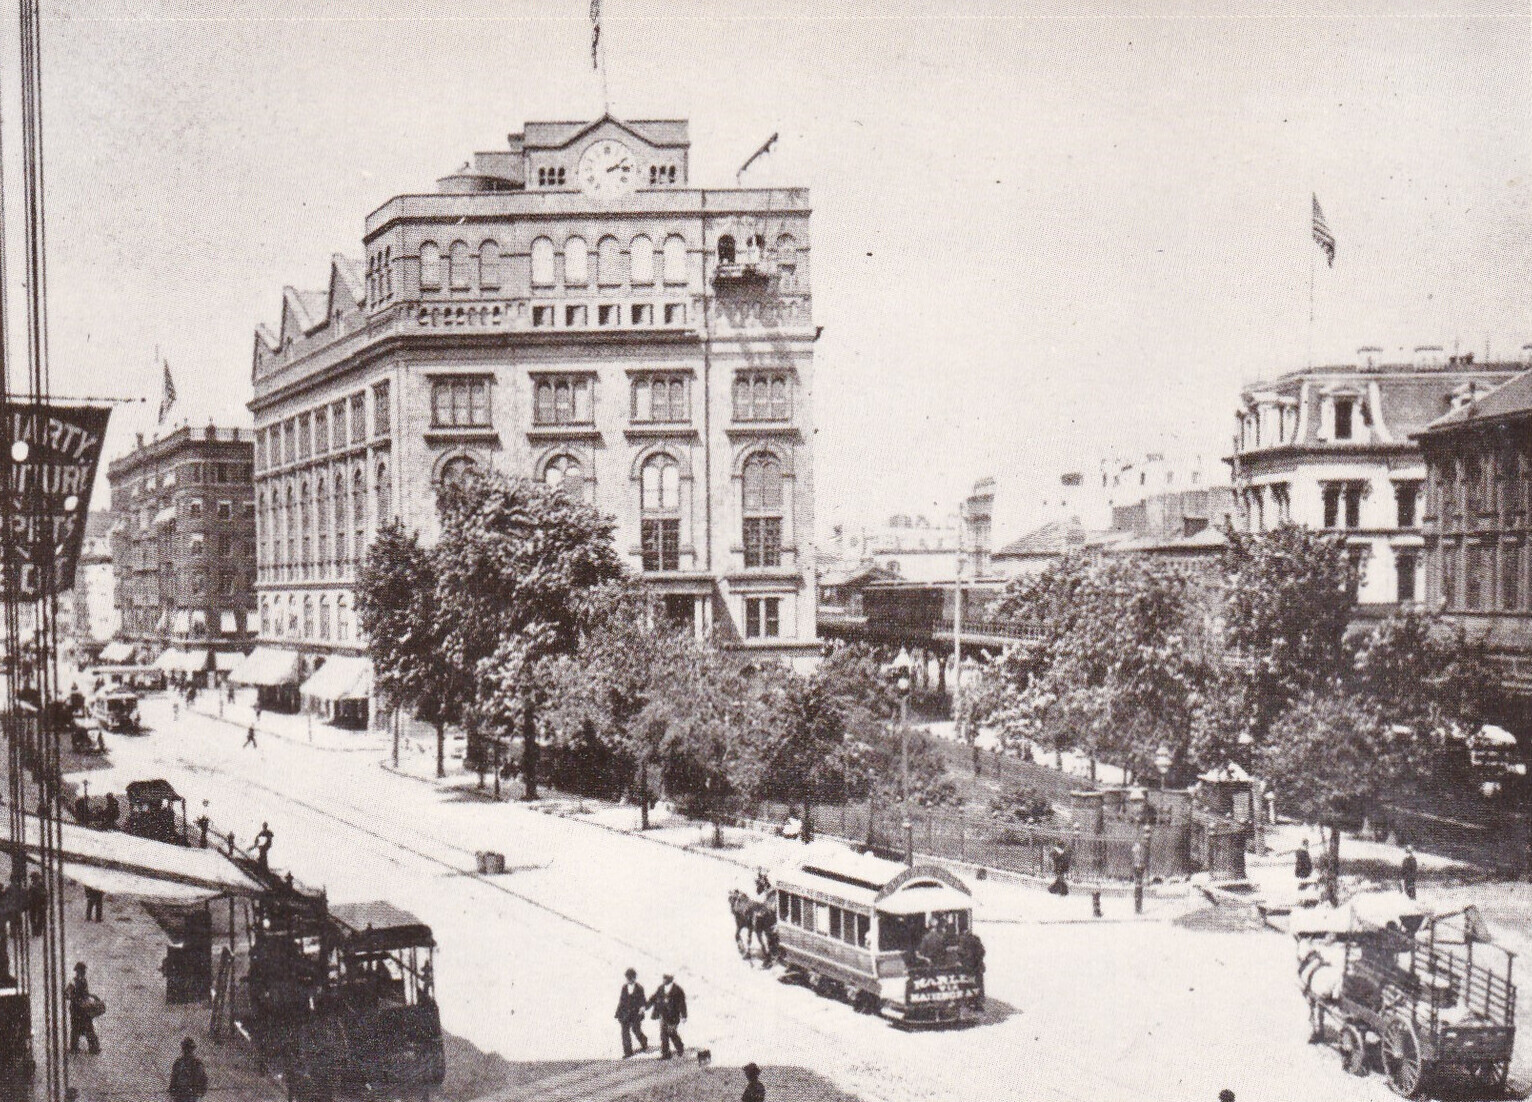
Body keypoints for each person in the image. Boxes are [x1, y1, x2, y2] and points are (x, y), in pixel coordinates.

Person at [648, 972, 687, 1059]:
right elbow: (653, 998)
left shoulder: (677, 990)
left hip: (673, 1016)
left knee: (671, 1032)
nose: (664, 980)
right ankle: (665, 1053)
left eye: (666, 978)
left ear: (670, 979)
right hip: (663, 1014)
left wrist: (684, 1016)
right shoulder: (661, 988)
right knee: (663, 1034)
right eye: (663, 978)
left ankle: (680, 1047)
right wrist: (646, 1006)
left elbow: (682, 1004)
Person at [66, 962, 101, 1054]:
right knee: (80, 1028)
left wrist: (92, 996)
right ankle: (88, 1048)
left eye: (84, 970)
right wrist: (75, 999)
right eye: (82, 970)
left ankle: (92, 1048)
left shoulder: (84, 980)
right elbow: (66, 994)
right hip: (77, 1009)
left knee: (84, 1028)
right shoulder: (73, 982)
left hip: (83, 1009)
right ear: (78, 971)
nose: (84, 972)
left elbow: (85, 993)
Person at [615, 968, 649, 1057]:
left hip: (635, 1013)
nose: (629, 980)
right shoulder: (624, 987)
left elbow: (643, 1000)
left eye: (631, 978)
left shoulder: (639, 988)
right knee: (624, 1031)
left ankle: (644, 1040)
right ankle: (628, 1052)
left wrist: (642, 1008)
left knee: (636, 1029)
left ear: (634, 978)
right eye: (627, 978)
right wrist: (618, 1013)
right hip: (625, 1013)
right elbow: (621, 1001)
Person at [168, 1037, 208, 1102]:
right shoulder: (178, 1063)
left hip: (192, 1095)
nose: (187, 1051)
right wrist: (172, 1090)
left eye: (189, 1049)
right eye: (185, 1049)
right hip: (180, 1096)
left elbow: (203, 1079)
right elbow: (174, 1079)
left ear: (192, 1050)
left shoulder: (197, 1063)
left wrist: (202, 1090)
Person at [27, 871, 46, 938]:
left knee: (39, 919)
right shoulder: (32, 886)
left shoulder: (40, 885)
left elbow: (44, 895)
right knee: (33, 918)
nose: (32, 880)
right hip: (33, 905)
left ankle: (37, 932)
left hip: (39, 905)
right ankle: (35, 931)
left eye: (33, 878)